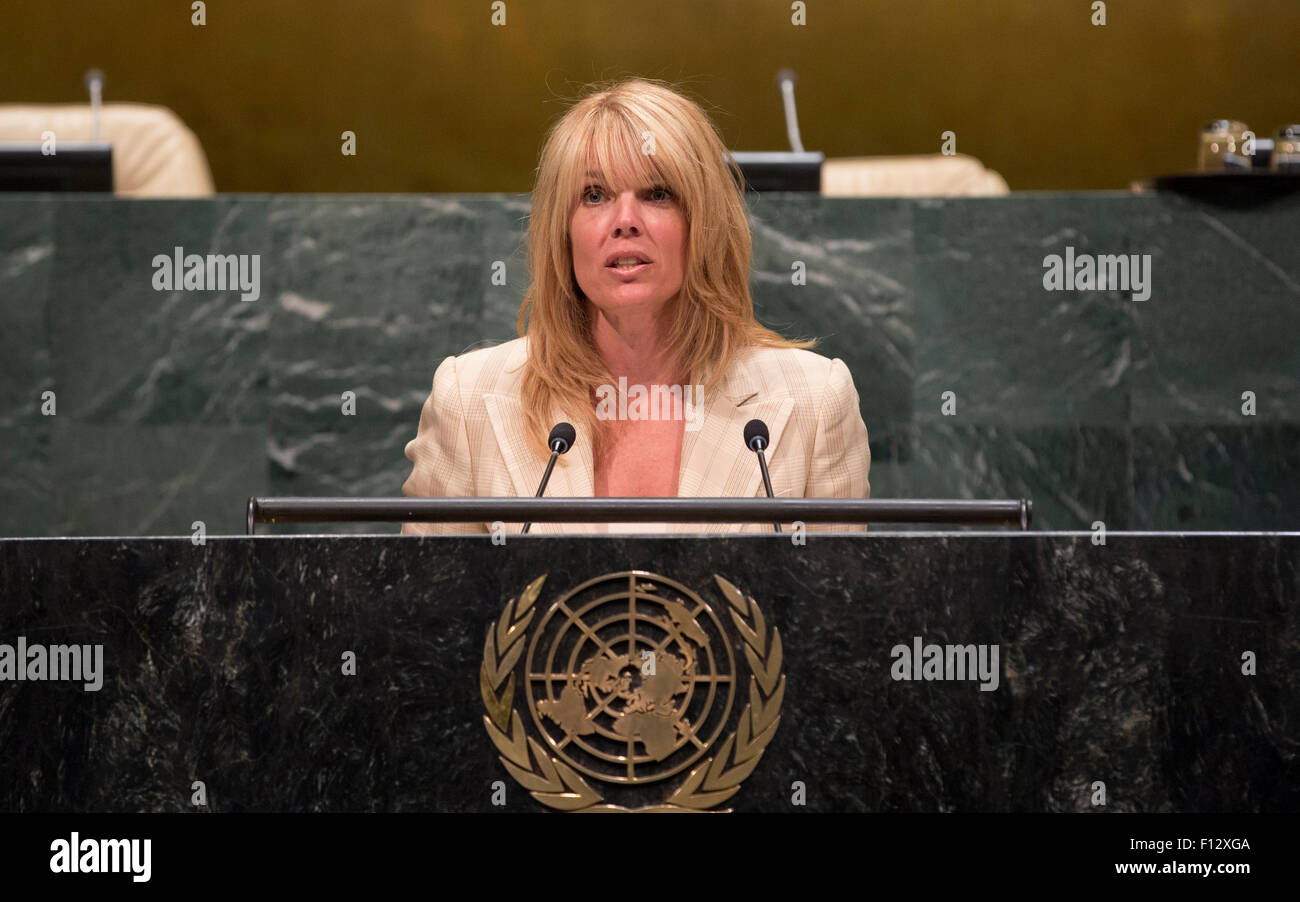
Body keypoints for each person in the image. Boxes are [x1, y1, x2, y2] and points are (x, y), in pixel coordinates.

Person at [400, 78, 870, 534]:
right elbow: (432, 611)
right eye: (595, 195)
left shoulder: (816, 402)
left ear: (704, 223)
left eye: (657, 194)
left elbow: (837, 610)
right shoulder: (467, 402)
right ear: (562, 232)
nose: (625, 221)